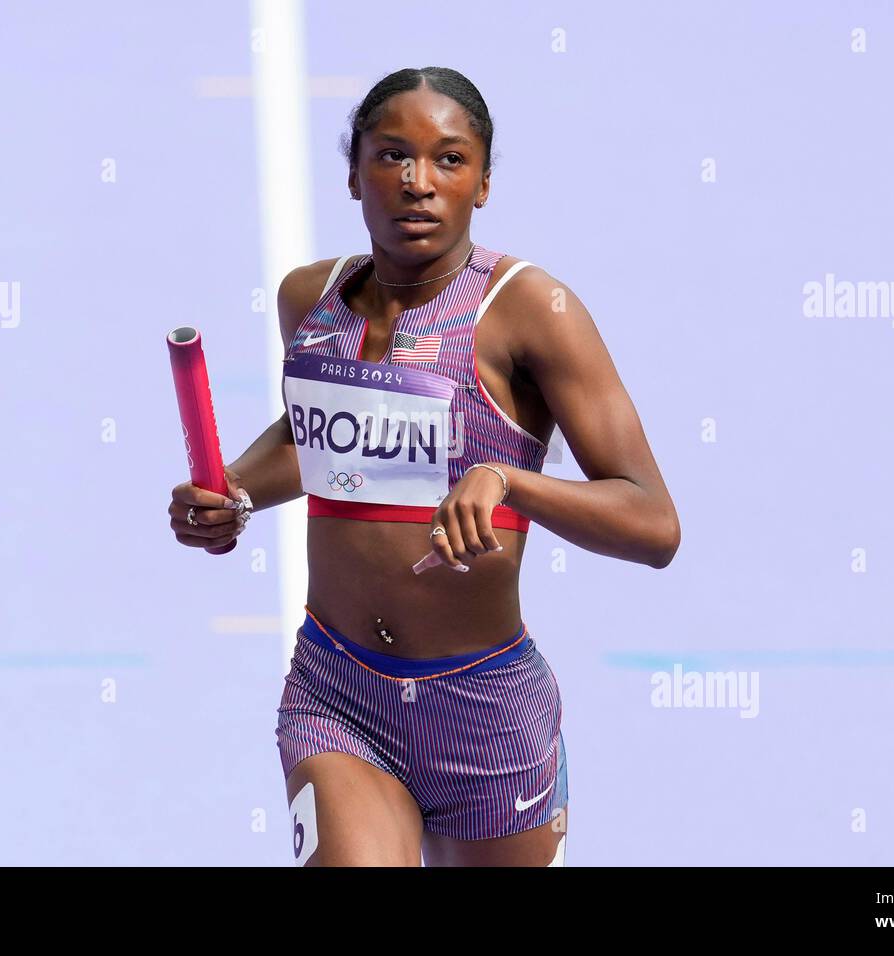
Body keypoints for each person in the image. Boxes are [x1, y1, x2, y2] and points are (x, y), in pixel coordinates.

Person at [169, 67, 680, 866]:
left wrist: (509, 481)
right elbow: (320, 440)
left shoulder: (530, 311)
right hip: (337, 691)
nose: (418, 183)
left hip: (487, 710)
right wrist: (233, 490)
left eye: (449, 160)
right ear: (352, 174)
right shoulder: (312, 298)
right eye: (392, 156)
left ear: (483, 184)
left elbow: (653, 523)